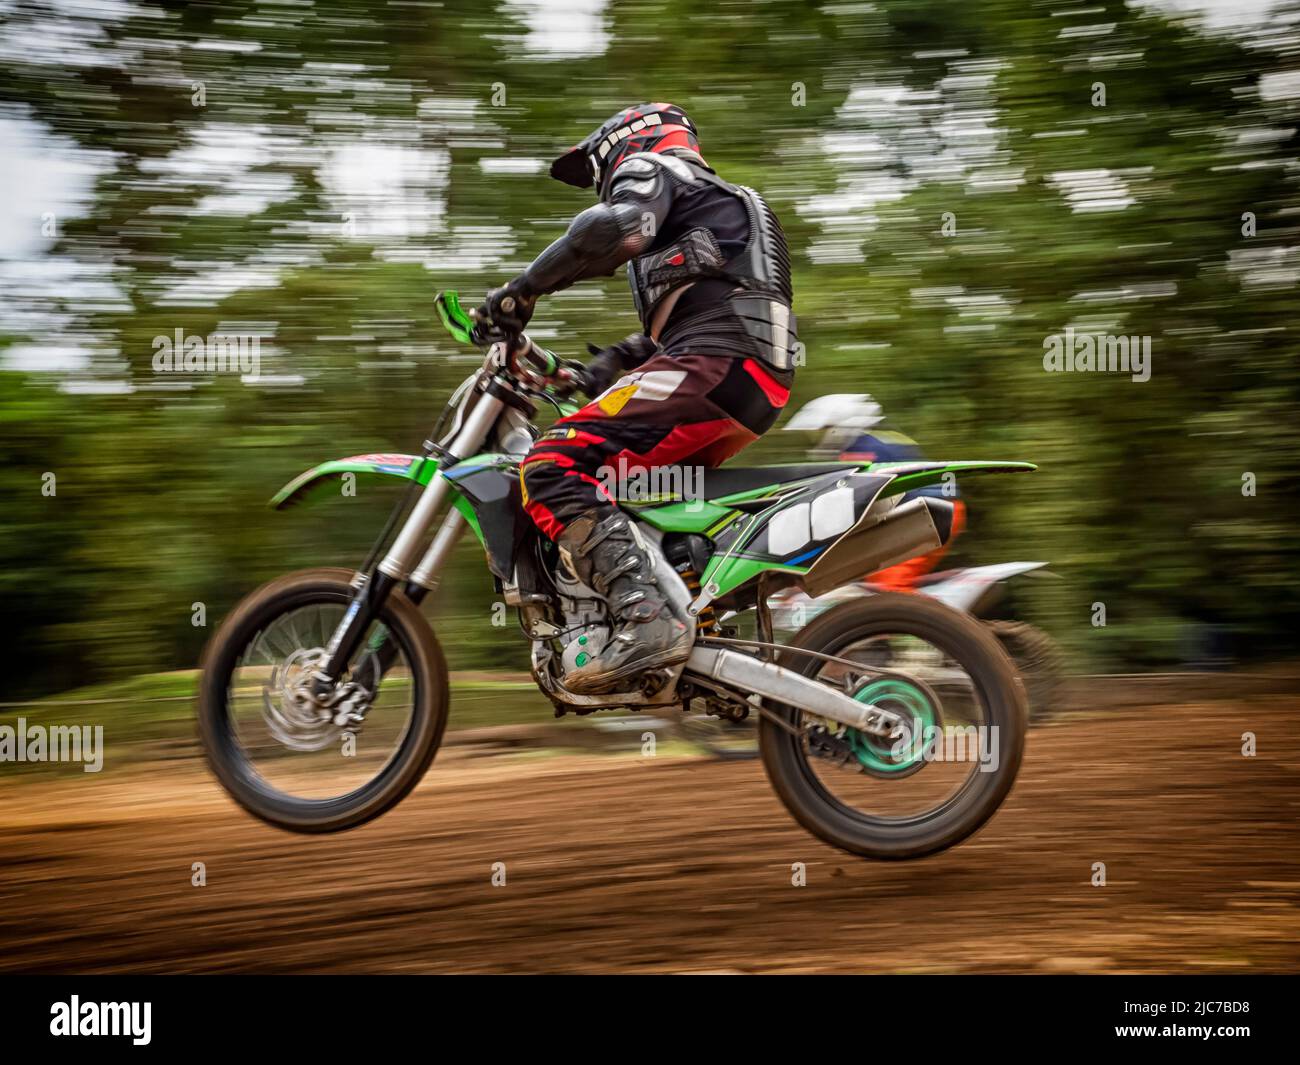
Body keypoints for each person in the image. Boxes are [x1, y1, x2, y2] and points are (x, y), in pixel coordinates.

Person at [473, 103, 798, 693]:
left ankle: (643, 621)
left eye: (596, 170)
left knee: (549, 466)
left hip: (713, 365)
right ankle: (689, 614)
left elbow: (612, 227)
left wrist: (522, 290)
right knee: (631, 485)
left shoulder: (655, 168)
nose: (599, 183)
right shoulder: (721, 202)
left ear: (624, 143)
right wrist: (596, 372)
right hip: (747, 378)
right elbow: (704, 307)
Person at [783, 393, 965, 591]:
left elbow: (847, 503)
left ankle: (927, 620)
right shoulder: (873, 443)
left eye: (821, 431)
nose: (816, 439)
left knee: (890, 585)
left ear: (838, 427)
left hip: (931, 513)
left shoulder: (862, 453)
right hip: (929, 511)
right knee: (873, 577)